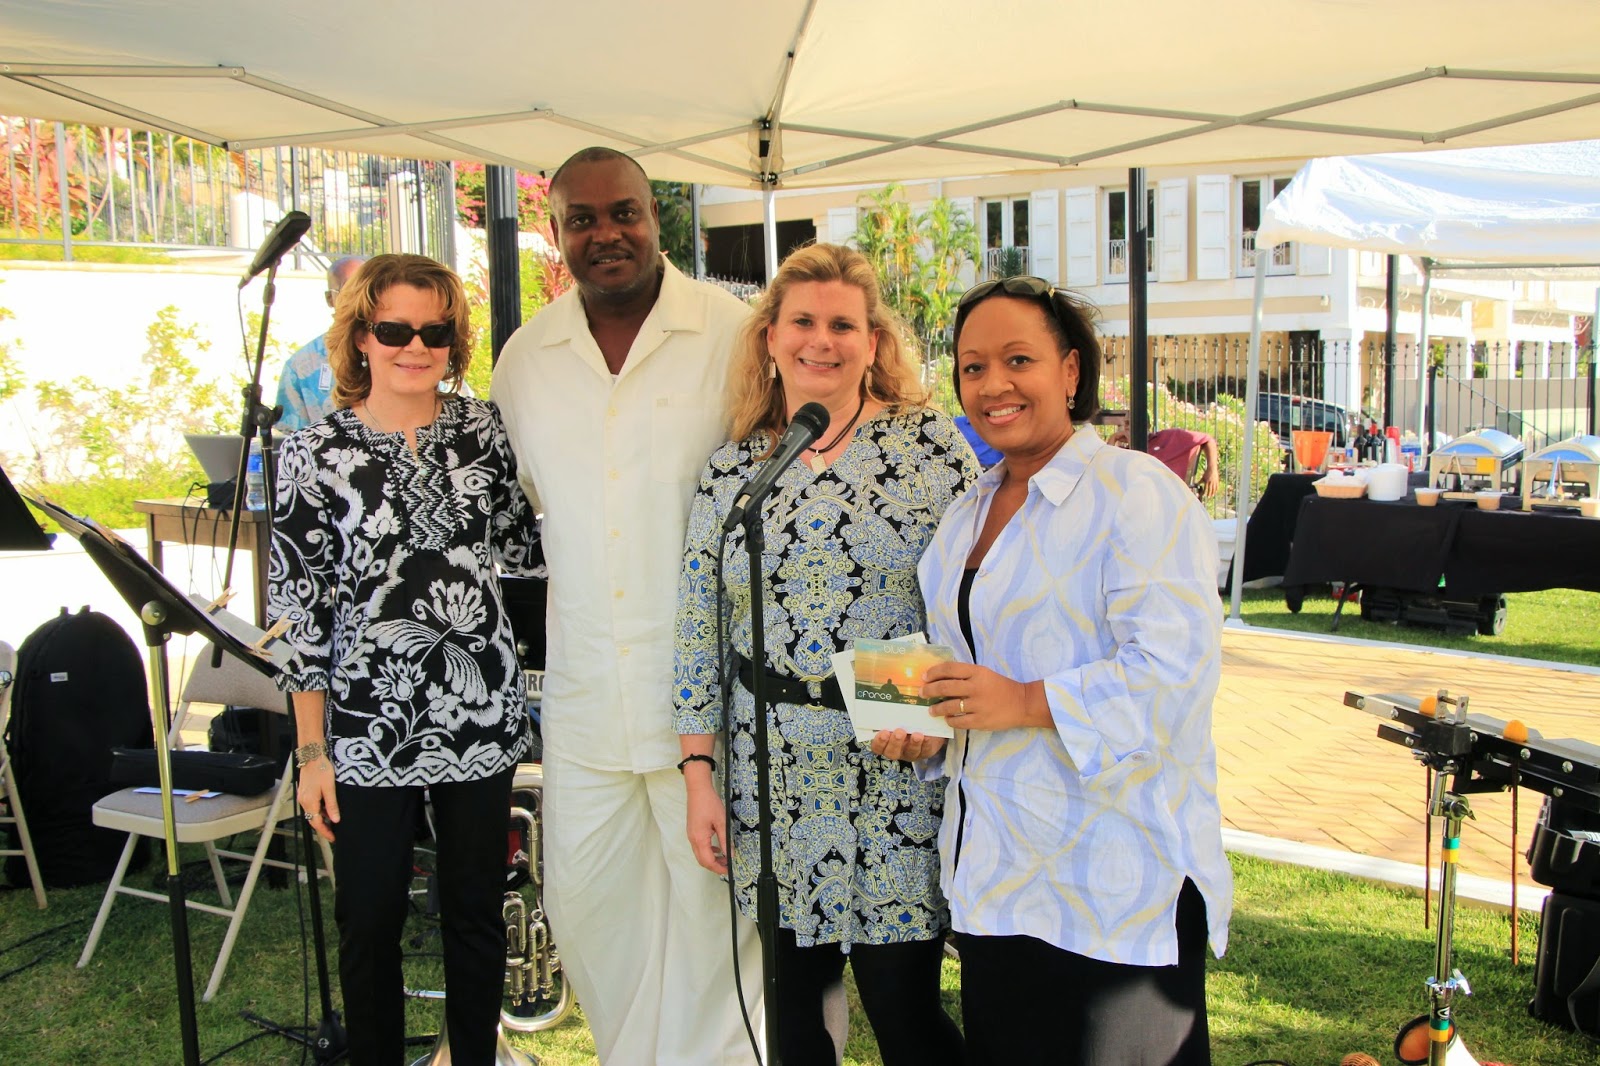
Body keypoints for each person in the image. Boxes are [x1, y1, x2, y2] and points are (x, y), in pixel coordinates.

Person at [888, 275, 1233, 1065]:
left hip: (1113, 884)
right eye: (972, 368)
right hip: (997, 880)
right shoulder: (966, 511)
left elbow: (1174, 673)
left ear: (1071, 371)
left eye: (1018, 359)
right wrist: (928, 725)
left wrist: (1023, 701)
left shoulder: (1134, 494)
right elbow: (967, 666)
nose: (993, 385)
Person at [489, 147, 760, 1065]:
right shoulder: (525, 359)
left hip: (706, 701)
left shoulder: (735, 334)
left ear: (657, 218)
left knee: (713, 915)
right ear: (555, 233)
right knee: (587, 899)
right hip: (584, 694)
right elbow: (534, 506)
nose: (607, 234)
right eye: (582, 220)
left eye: (626, 213)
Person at [675, 243, 977, 1066]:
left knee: (902, 1005)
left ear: (873, 343)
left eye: (844, 324)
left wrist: (933, 710)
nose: (822, 340)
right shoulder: (736, 466)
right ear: (770, 338)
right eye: (802, 322)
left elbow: (965, 599)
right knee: (795, 1018)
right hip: (769, 773)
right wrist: (697, 773)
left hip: (889, 759)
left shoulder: (930, 449)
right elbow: (700, 627)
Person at [269, 254, 540, 1066]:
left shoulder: (483, 430)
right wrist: (311, 749)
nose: (414, 346)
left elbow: (523, 550)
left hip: (478, 711)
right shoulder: (313, 454)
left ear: (453, 339)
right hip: (365, 721)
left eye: (434, 330)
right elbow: (301, 611)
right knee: (371, 916)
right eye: (394, 330)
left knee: (475, 912)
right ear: (360, 336)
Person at [274, 255, 368, 431]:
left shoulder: (401, 350)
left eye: (368, 289)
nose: (361, 298)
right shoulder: (300, 367)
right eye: (350, 290)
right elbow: (293, 442)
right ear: (330, 299)